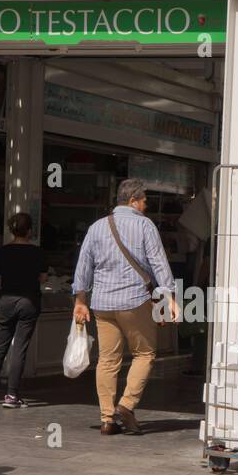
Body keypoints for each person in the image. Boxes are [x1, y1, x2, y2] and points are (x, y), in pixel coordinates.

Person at [72, 178, 178, 435]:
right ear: (133, 200)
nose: (145, 207)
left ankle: (107, 419)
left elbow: (83, 264)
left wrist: (80, 300)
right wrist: (168, 299)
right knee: (145, 354)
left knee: (107, 360)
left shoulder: (96, 227)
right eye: (143, 202)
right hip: (134, 301)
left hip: (103, 304)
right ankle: (126, 405)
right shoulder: (144, 225)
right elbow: (158, 264)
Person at [0, 212, 48, 407]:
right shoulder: (37, 252)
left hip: (6, 300)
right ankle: (11, 395)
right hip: (28, 301)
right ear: (29, 231)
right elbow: (43, 277)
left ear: (12, 230)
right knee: (19, 347)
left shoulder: (2, 252)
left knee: (0, 346)